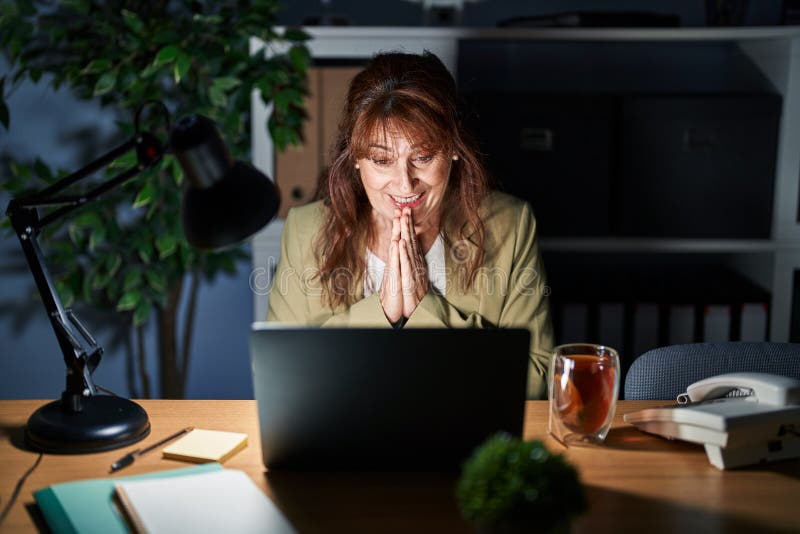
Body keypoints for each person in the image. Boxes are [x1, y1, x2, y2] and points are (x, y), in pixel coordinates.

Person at [266, 51, 554, 398]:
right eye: (381, 160)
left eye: (423, 157)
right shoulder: (305, 229)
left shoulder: (510, 224)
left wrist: (427, 308)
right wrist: (381, 313)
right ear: (357, 159)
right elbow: (280, 376)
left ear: (453, 149)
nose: (404, 184)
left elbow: (537, 381)